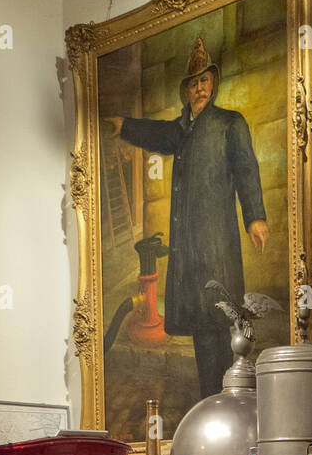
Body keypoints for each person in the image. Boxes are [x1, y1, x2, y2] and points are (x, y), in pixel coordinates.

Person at [105, 37, 270, 398]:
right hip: (188, 248)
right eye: (194, 83)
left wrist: (255, 217)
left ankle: (227, 396)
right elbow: (156, 132)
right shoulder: (181, 130)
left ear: (214, 84)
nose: (200, 88)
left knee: (217, 321)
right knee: (199, 323)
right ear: (186, 89)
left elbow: (246, 170)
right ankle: (210, 397)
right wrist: (124, 126)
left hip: (215, 243)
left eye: (205, 81)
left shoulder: (230, 123)